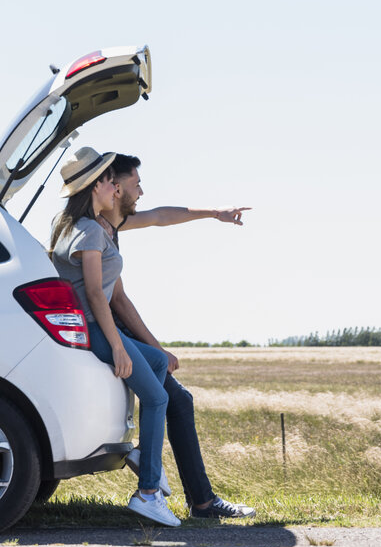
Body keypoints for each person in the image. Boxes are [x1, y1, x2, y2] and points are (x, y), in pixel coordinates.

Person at [102, 153, 257, 519]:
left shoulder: (112, 225)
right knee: (177, 400)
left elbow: (160, 216)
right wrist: (157, 350)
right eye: (136, 183)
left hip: (119, 329)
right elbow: (116, 304)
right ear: (116, 187)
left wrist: (214, 212)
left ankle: (194, 494)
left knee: (177, 399)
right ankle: (198, 500)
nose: (141, 191)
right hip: (109, 333)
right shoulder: (93, 230)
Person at [49, 147, 180, 527]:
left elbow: (156, 220)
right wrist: (119, 346)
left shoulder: (76, 223)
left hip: (91, 324)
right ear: (95, 186)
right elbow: (94, 295)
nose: (116, 187)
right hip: (91, 328)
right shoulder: (89, 231)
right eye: (110, 180)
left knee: (157, 363)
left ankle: (143, 458)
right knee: (157, 398)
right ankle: (148, 494)